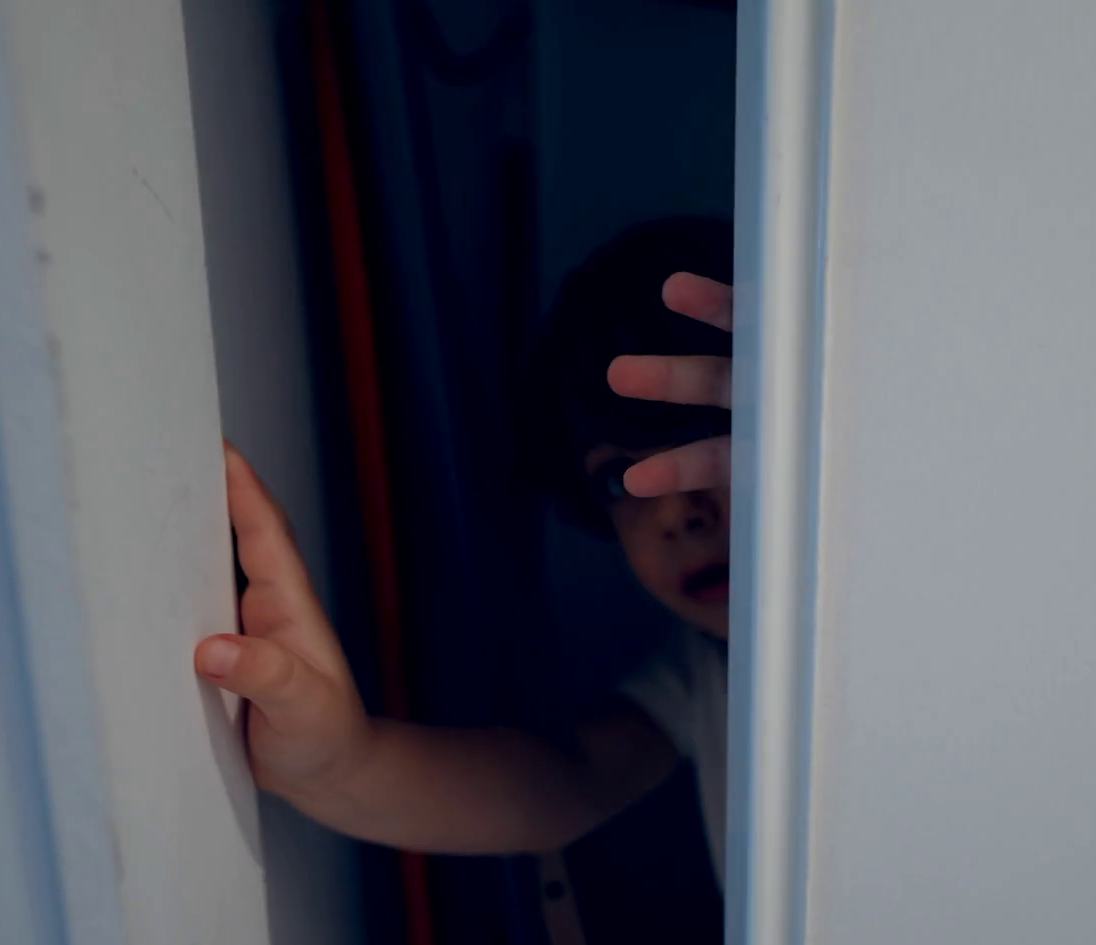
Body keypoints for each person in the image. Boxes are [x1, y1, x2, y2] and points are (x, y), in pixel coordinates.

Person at [193, 217, 737, 874]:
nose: (675, 514)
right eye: (619, 480)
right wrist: (336, 764)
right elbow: (560, 783)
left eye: (709, 440)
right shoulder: (704, 671)